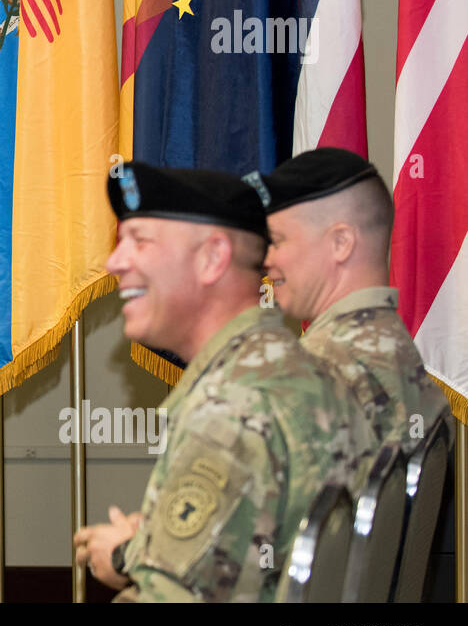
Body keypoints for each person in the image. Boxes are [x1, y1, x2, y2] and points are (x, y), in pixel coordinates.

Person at [73, 161, 367, 601]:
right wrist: (154, 547)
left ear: (212, 258)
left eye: (140, 241)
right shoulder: (296, 370)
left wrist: (136, 562)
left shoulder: (229, 415)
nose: (115, 261)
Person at [252, 147, 449, 454]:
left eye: (277, 241)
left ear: (341, 243)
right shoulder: (405, 359)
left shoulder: (314, 374)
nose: (266, 260)